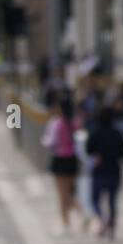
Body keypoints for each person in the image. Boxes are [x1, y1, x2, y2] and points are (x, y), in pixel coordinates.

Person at [86, 105, 123, 238]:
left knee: (95, 200)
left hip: (99, 171)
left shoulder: (95, 133)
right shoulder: (117, 134)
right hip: (114, 171)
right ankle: (112, 225)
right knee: (112, 201)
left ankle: (102, 218)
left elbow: (88, 149)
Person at [41, 94, 79, 236]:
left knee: (62, 195)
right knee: (71, 192)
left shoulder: (55, 123)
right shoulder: (74, 123)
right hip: (72, 160)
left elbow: (50, 142)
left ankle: (66, 222)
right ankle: (82, 212)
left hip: (59, 160)